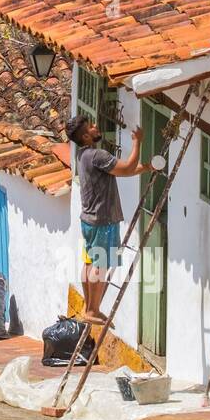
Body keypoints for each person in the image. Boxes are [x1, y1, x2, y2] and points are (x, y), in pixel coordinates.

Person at [65, 115, 150, 324]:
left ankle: (89, 307)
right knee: (99, 264)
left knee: (89, 262)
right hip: (103, 220)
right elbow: (128, 167)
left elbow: (122, 171)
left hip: (89, 219)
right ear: (86, 136)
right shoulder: (97, 155)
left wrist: (146, 167)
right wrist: (138, 141)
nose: (96, 127)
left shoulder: (83, 155)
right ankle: (93, 310)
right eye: (91, 127)